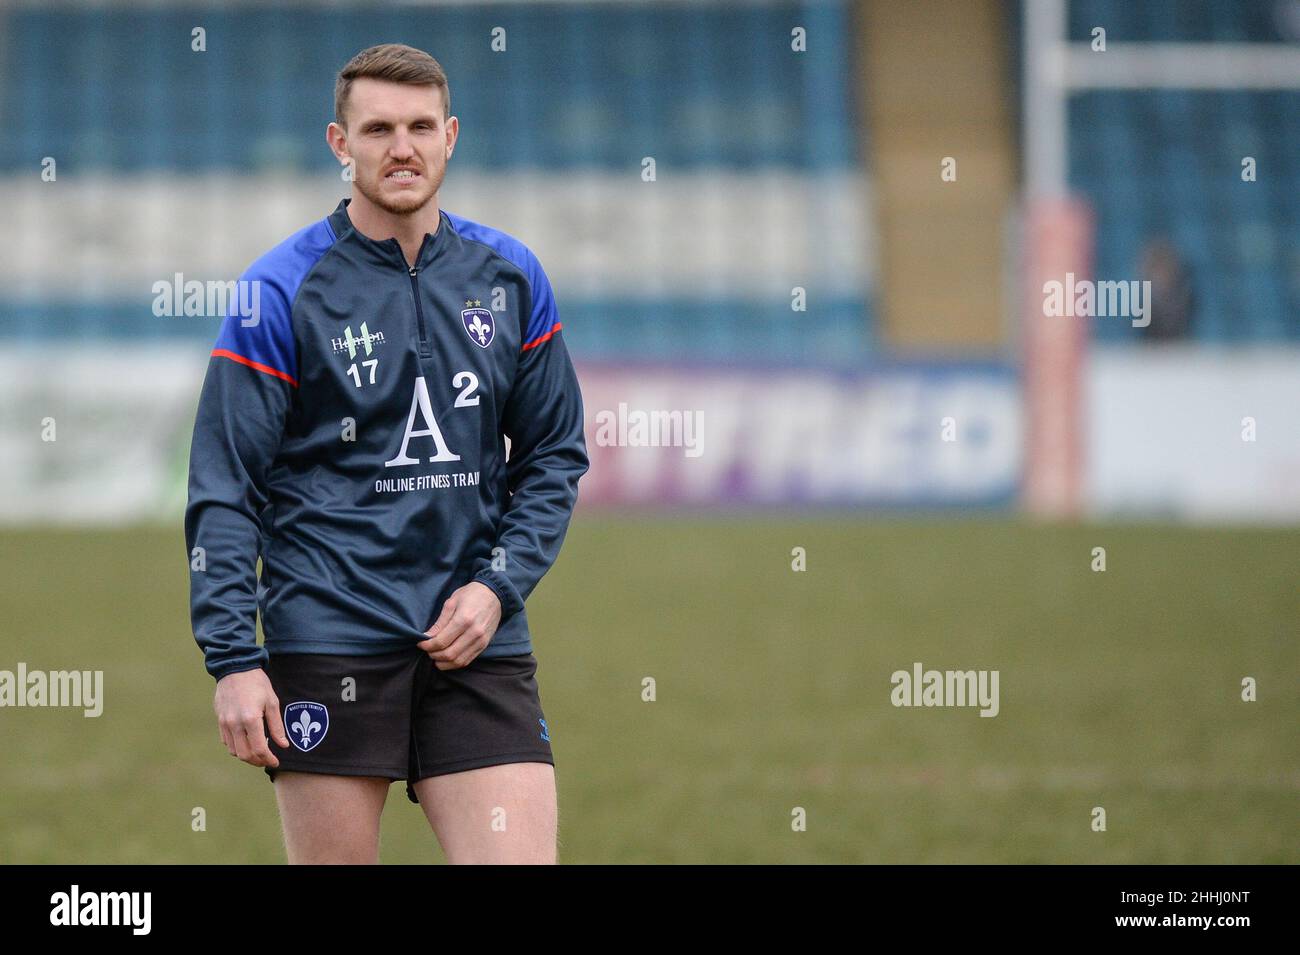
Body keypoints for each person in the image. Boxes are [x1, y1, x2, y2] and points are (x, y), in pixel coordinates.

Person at [184, 43, 588, 864]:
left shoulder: (511, 276)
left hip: (475, 640)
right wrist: (233, 658)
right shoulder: (278, 291)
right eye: (377, 129)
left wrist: (497, 585)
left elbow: (552, 451)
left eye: (419, 126)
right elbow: (225, 487)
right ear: (341, 143)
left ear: (451, 135)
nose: (400, 147)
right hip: (327, 636)